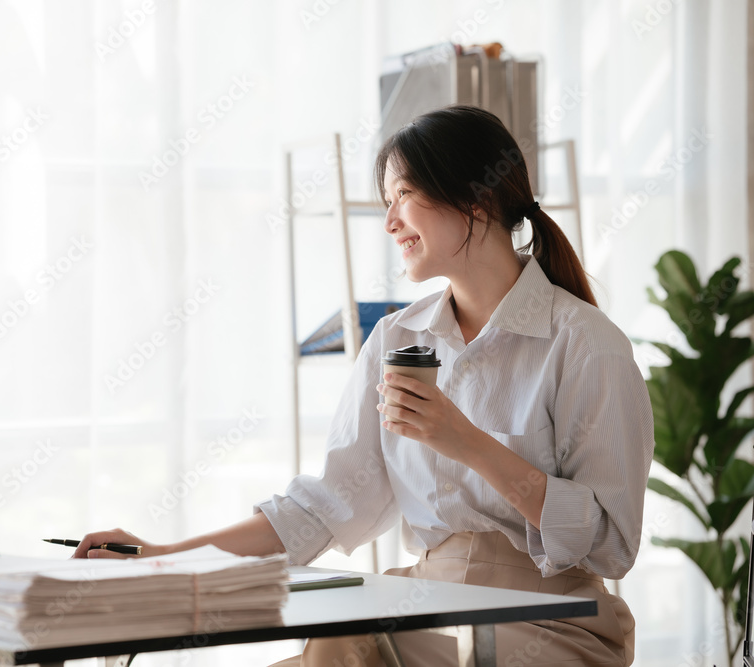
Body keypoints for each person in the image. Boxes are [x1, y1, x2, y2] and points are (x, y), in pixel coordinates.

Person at [74, 105, 655, 666]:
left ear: (475, 198)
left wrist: (466, 440)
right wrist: (162, 558)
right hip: (431, 605)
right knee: (335, 641)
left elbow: (611, 543)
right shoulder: (393, 339)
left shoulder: (584, 344)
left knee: (343, 646)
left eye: (403, 194)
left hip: (551, 622)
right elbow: (324, 508)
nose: (390, 221)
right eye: (387, 201)